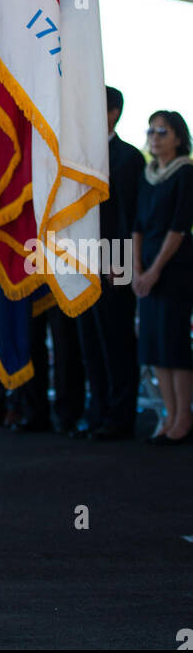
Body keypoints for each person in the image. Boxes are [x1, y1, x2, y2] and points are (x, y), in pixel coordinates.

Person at [77, 86, 143, 440]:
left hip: (115, 257)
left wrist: (121, 262)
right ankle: (98, 411)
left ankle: (120, 417)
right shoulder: (77, 154)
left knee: (115, 339)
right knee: (90, 341)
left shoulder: (127, 157)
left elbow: (130, 218)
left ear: (112, 112)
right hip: (82, 257)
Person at [132, 110, 193, 445]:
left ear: (179, 138)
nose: (155, 137)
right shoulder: (148, 174)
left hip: (174, 267)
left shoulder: (185, 173)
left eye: (163, 131)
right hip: (147, 269)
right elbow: (138, 225)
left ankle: (184, 415)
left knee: (174, 343)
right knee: (153, 345)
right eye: (152, 131)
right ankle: (168, 415)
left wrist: (155, 270)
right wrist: (137, 269)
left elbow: (179, 227)